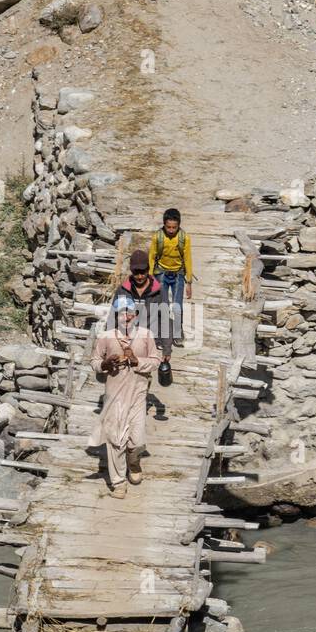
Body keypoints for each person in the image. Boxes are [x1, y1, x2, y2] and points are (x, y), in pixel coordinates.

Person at [89, 295, 160, 498]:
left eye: (129, 313)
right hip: (114, 394)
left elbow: (155, 361)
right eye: (121, 313)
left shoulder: (146, 335)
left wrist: (137, 361)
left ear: (136, 315)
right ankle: (119, 483)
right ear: (116, 316)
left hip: (138, 393)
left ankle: (133, 460)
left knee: (136, 440)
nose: (126, 317)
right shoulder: (106, 337)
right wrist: (105, 365)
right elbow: (94, 361)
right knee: (115, 439)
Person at [113, 249, 173, 383]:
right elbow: (113, 318)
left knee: (142, 381)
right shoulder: (123, 291)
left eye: (143, 272)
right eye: (136, 272)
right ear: (131, 271)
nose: (140, 276)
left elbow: (165, 320)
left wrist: (167, 348)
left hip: (150, 343)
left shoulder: (159, 291)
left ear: (148, 269)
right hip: (126, 343)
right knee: (124, 380)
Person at [148, 207, 193, 353]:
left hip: (178, 274)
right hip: (161, 273)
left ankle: (177, 333)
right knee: (163, 305)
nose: (172, 230)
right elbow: (151, 257)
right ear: (164, 224)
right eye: (169, 227)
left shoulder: (184, 238)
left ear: (179, 225)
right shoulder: (158, 237)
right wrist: (149, 278)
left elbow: (187, 259)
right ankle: (160, 336)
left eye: (175, 227)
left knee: (177, 306)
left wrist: (189, 281)